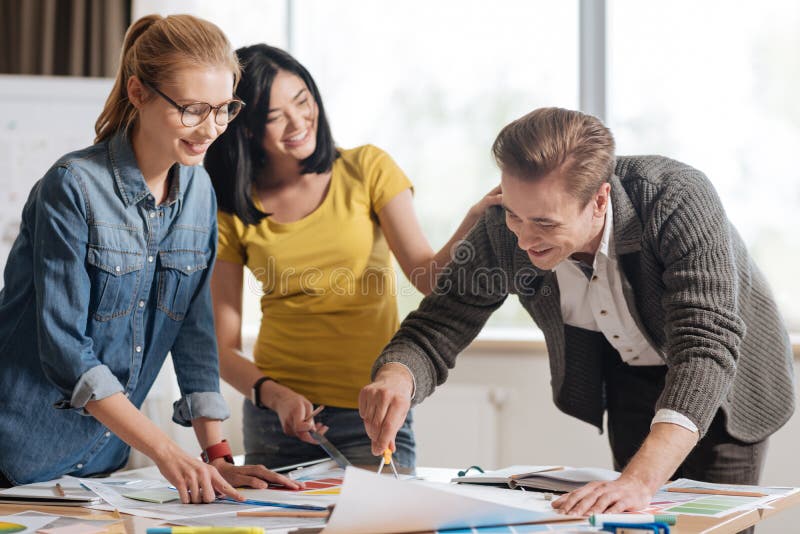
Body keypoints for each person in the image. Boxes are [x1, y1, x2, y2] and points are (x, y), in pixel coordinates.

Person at [360, 107, 794, 516]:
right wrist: (397, 376)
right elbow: (440, 322)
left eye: (546, 224)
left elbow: (705, 347)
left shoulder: (676, 198)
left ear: (600, 200)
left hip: (727, 384)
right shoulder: (502, 227)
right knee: (630, 517)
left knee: (705, 522)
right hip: (628, 374)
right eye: (515, 215)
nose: (525, 240)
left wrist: (640, 479)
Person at [0, 15, 301, 500]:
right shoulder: (72, 187)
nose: (211, 129)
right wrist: (166, 452)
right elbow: (65, 349)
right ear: (138, 93)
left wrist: (217, 457)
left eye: (224, 109)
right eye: (193, 109)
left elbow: (194, 330)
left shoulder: (200, 190)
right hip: (16, 454)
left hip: (101, 465)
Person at [204, 44, 500, 470]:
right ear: (247, 128)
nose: (297, 122)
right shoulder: (233, 209)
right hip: (278, 420)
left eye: (302, 101)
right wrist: (275, 395)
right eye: (274, 115)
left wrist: (473, 220)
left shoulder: (367, 169)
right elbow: (222, 347)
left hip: (374, 412)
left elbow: (428, 276)